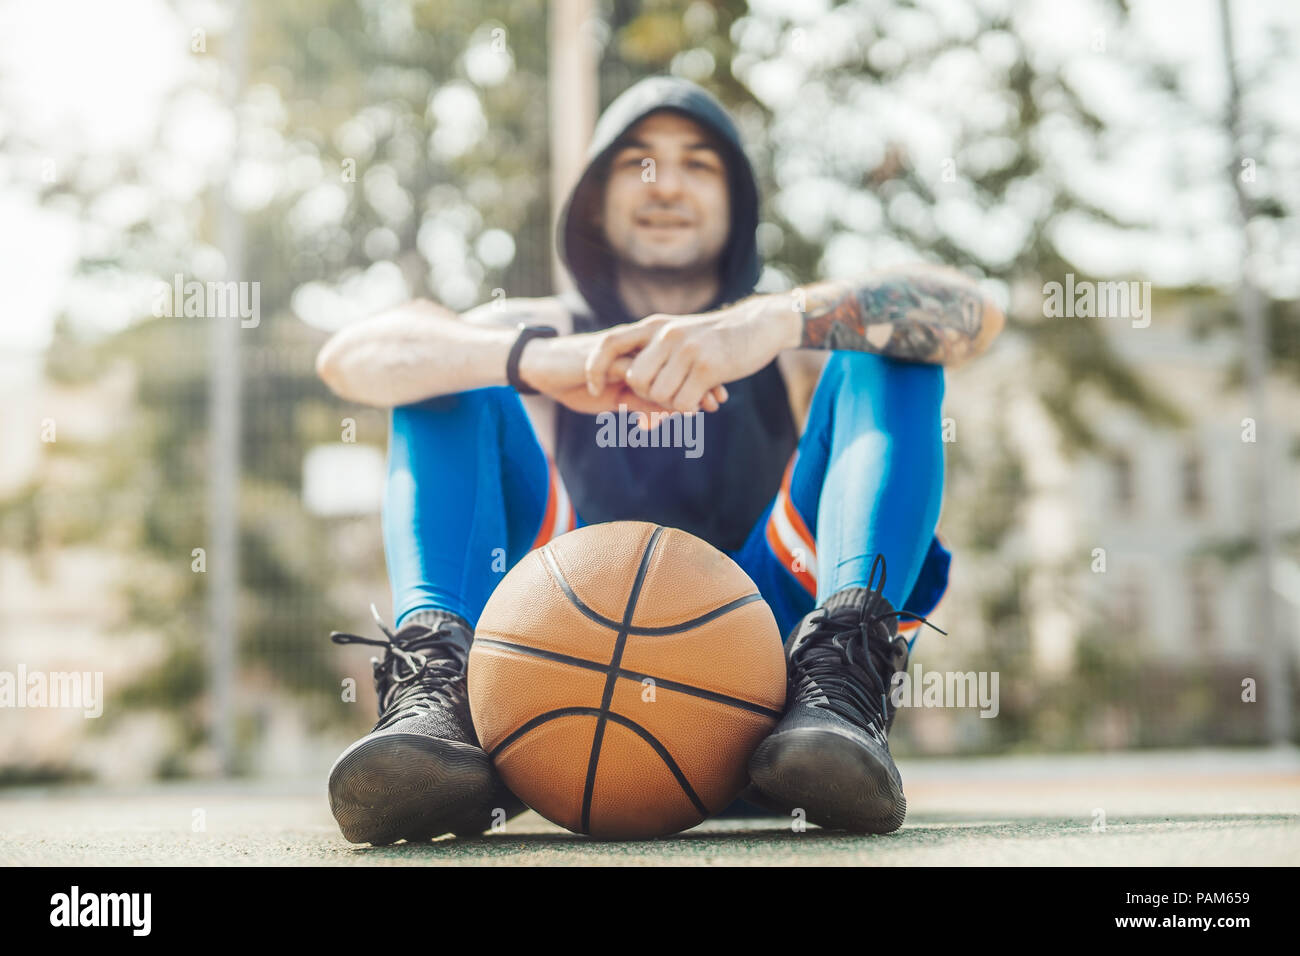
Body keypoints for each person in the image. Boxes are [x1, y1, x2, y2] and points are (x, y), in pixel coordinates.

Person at [315, 76, 1003, 845]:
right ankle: (442, 703)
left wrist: (770, 324)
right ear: (595, 200)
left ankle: (839, 686)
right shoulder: (541, 331)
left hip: (775, 680)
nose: (665, 182)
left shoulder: (784, 347)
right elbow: (350, 358)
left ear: (737, 204)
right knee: (449, 365)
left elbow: (970, 311)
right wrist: (537, 361)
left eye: (699, 163)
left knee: (885, 335)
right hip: (549, 677)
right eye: (637, 161)